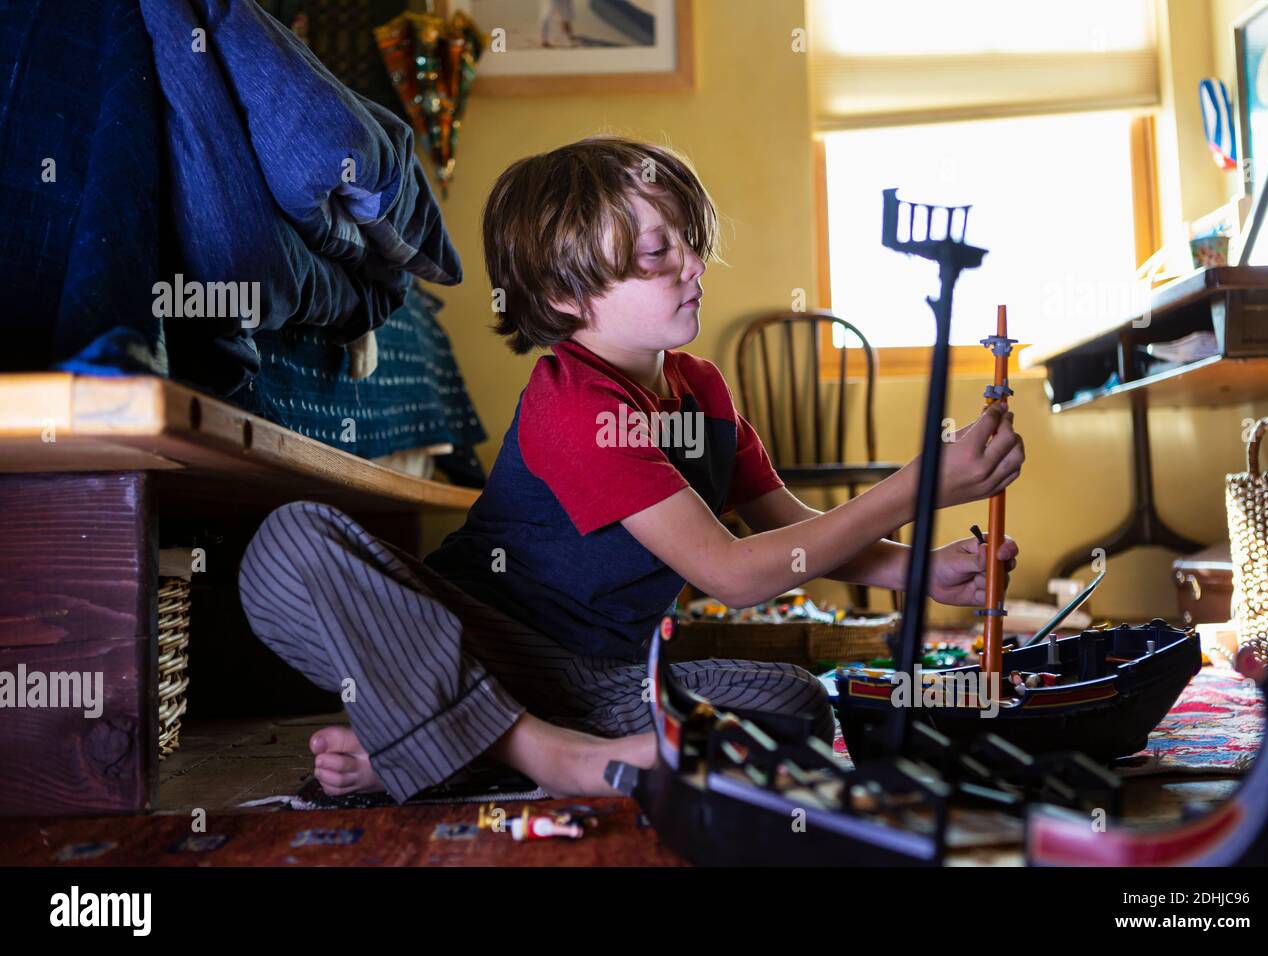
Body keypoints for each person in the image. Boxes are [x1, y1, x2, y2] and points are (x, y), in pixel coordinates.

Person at [239, 136, 1023, 801]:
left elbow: (786, 533)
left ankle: (439, 746)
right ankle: (551, 758)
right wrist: (920, 485)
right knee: (289, 543)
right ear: (562, 292)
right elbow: (734, 575)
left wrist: (916, 569)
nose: (691, 264)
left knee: (792, 705)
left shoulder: (700, 389)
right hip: (472, 638)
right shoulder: (573, 403)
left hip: (599, 679)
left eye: (688, 241)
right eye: (657, 253)